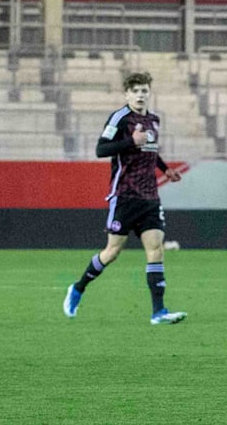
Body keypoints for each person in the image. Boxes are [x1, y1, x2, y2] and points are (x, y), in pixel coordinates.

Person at [63, 72, 187, 325]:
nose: (140, 95)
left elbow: (150, 151)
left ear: (149, 93)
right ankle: (78, 287)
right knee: (112, 252)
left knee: (155, 250)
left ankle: (158, 312)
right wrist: (131, 140)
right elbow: (101, 149)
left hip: (150, 197)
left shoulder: (154, 120)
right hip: (125, 196)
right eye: (136, 91)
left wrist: (165, 169)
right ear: (127, 94)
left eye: (144, 91)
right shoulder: (120, 118)